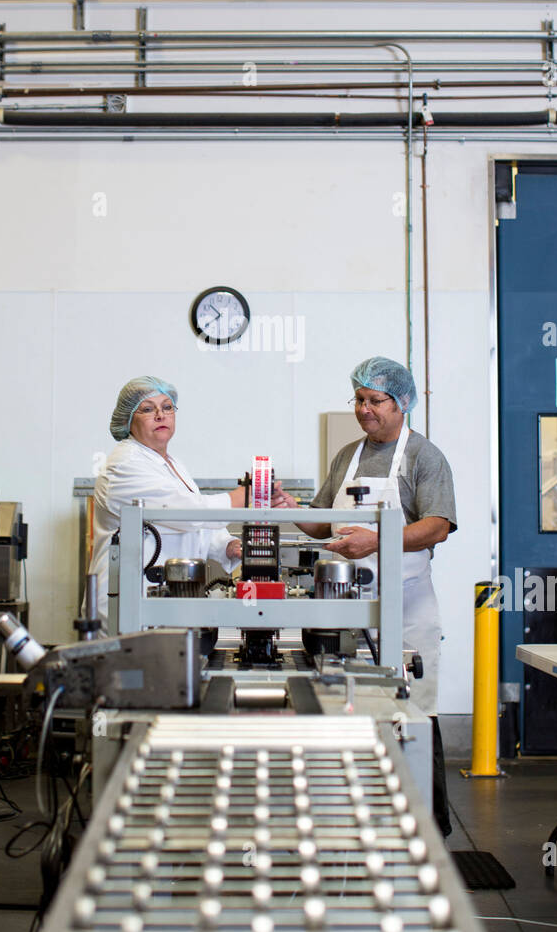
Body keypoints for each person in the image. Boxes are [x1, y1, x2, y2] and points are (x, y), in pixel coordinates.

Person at [273, 356, 457, 837]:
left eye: (375, 400)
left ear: (401, 403)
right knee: (349, 706)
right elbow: (321, 522)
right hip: (346, 608)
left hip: (405, 603)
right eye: (359, 399)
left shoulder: (424, 457)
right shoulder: (347, 457)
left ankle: (428, 829)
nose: (365, 409)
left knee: (415, 710)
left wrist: (377, 540)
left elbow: (437, 526)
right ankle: (357, 821)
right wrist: (288, 509)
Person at [89, 376, 247, 644]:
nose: (161, 415)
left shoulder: (170, 463)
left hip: (165, 600)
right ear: (129, 419)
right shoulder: (124, 464)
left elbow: (189, 526)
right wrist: (244, 497)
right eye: (148, 409)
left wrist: (227, 544)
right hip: (130, 601)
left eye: (167, 407)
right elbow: (184, 513)